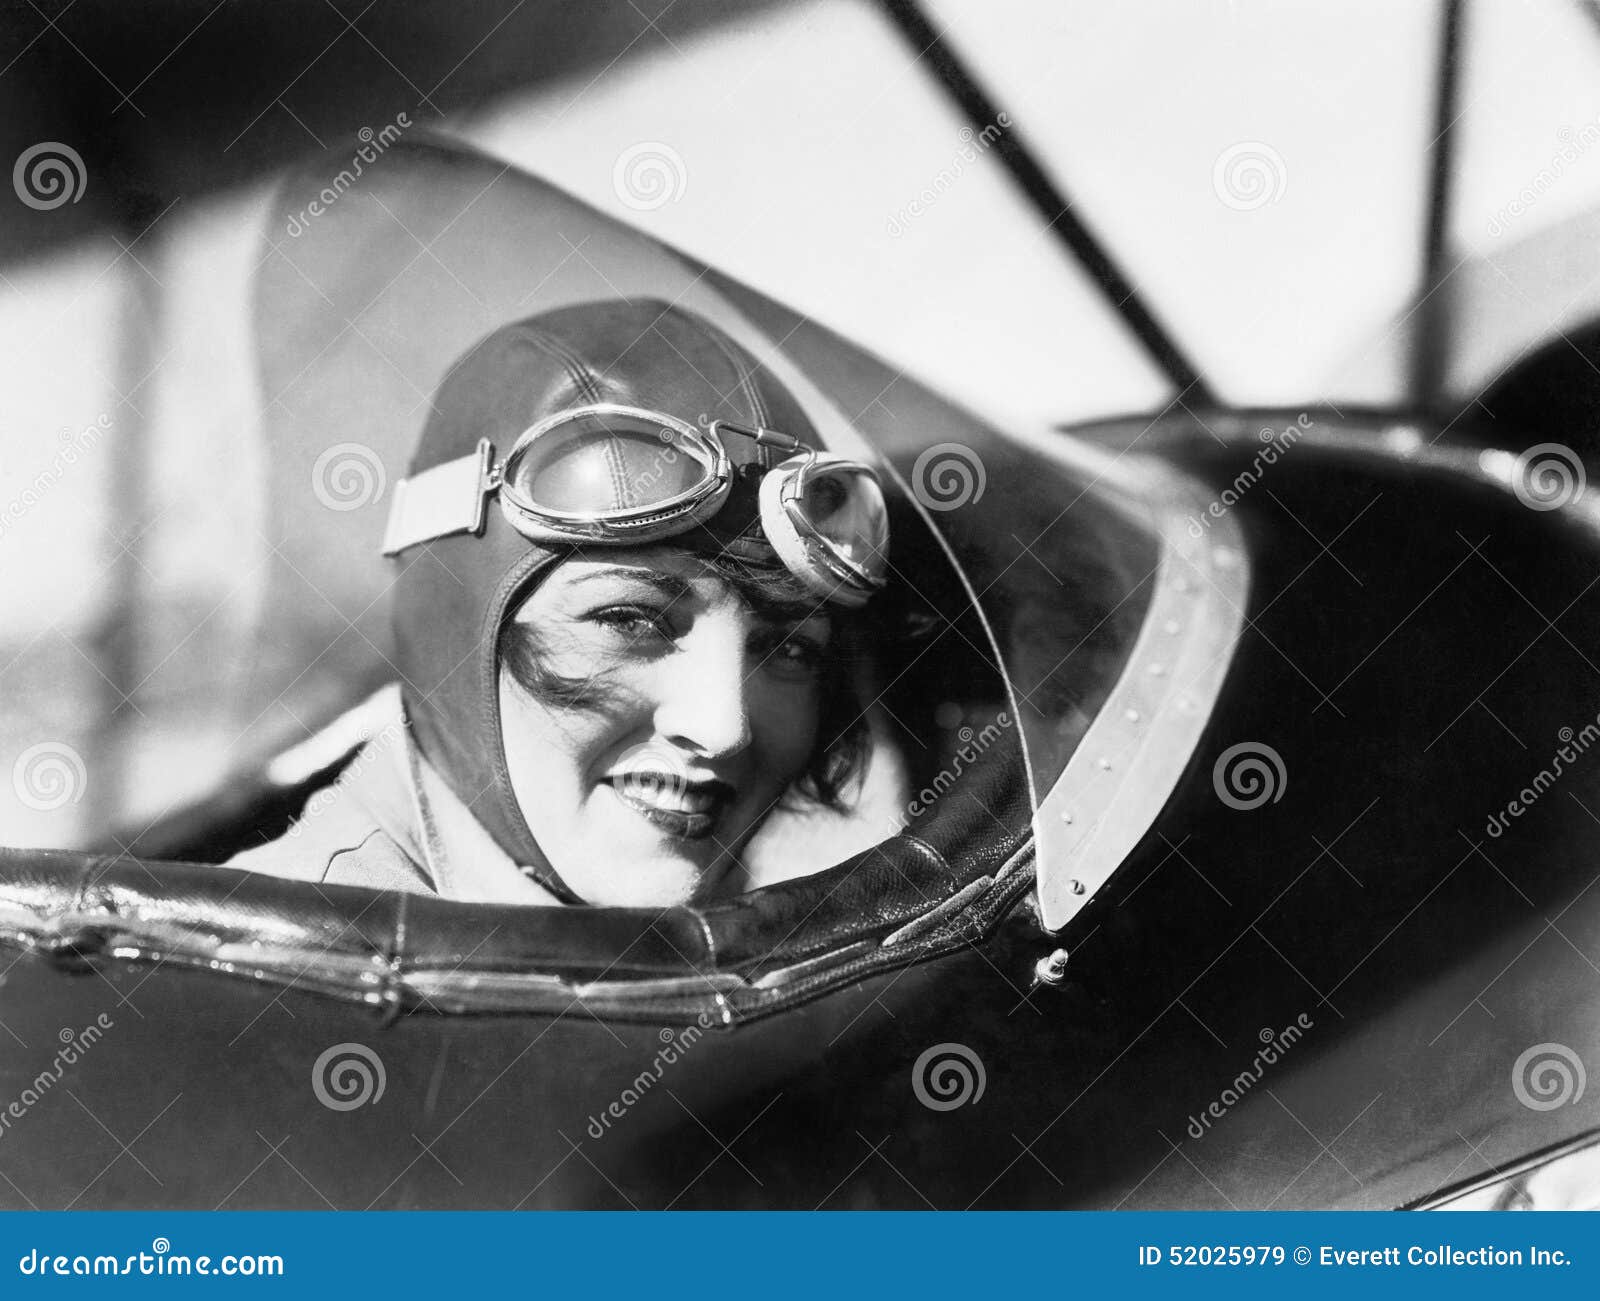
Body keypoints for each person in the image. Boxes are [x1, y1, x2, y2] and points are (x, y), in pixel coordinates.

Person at [227, 299, 901, 907]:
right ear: (459, 636)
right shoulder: (278, 993)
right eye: (628, 620)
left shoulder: (752, 945)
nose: (726, 727)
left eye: (788, 649)